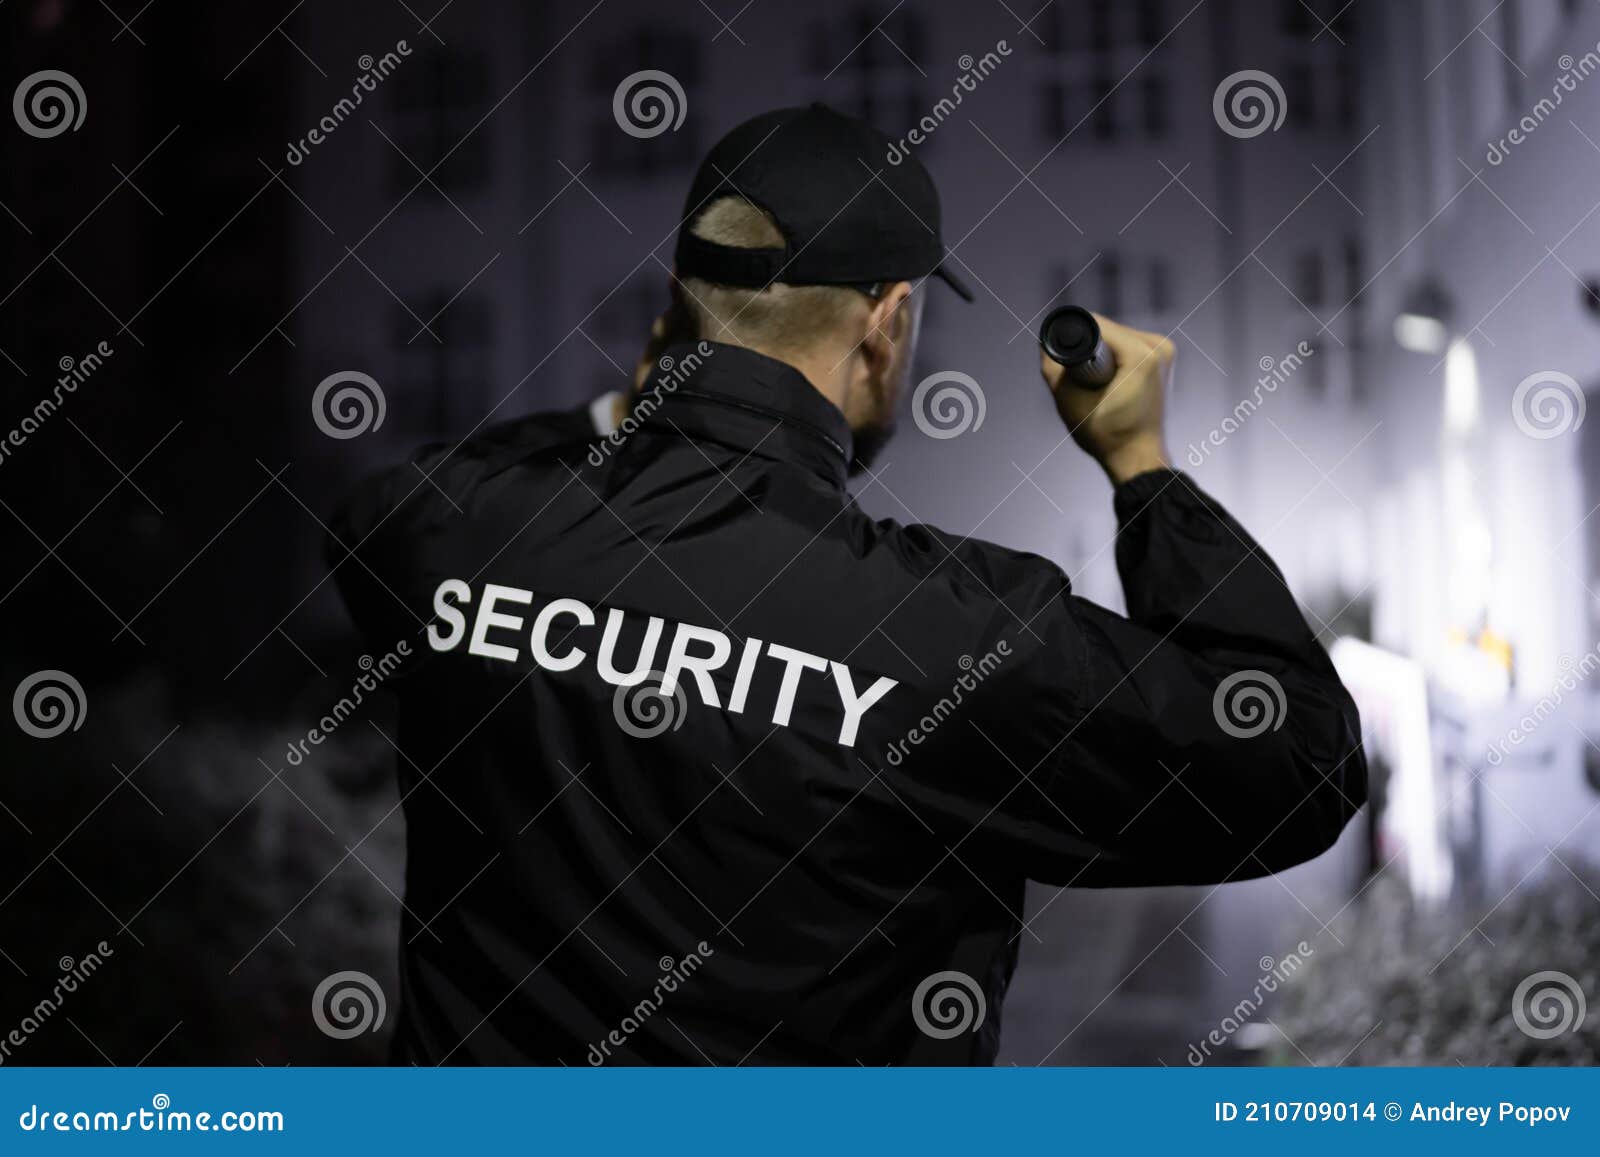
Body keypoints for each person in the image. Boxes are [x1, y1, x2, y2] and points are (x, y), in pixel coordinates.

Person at [328, 103, 1366, 1065]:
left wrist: (631, 421)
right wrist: (1142, 469)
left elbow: (376, 515)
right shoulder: (949, 638)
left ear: (681, 308)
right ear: (886, 321)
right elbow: (1296, 757)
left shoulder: (459, 542)